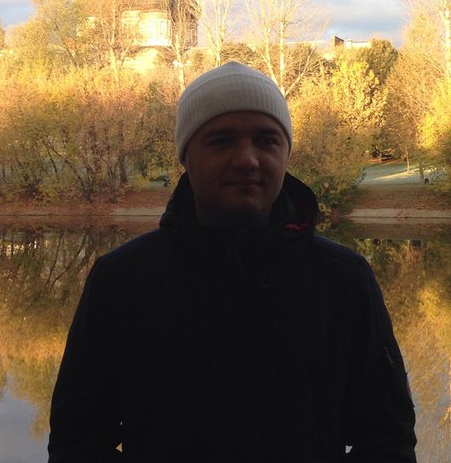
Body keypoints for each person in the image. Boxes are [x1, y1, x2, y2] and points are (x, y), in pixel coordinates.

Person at [48, 61, 417, 462]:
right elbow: (78, 441)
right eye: (221, 141)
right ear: (186, 156)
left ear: (286, 153)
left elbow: (387, 440)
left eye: (266, 140)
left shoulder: (343, 279)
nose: (247, 159)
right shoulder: (123, 280)